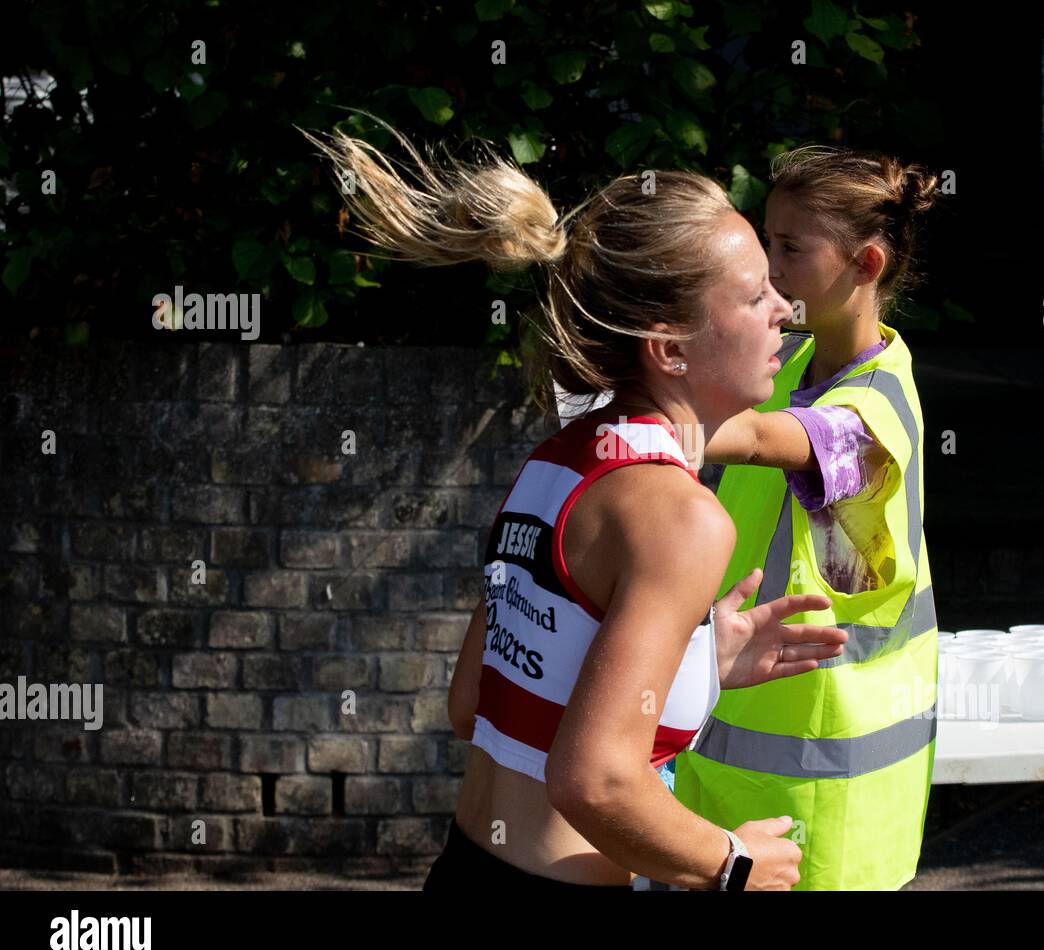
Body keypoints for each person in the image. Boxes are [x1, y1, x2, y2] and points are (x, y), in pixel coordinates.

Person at [302, 119, 852, 890]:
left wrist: (702, 660)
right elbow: (593, 780)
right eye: (755, 293)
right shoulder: (683, 519)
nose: (784, 310)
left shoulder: (557, 462)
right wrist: (730, 864)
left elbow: (478, 707)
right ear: (670, 348)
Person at [673, 145, 941, 891]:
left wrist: (636, 418)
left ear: (866, 265)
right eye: (768, 240)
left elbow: (757, 438)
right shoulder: (797, 363)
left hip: (824, 792)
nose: (769, 264)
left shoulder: (871, 411)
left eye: (791, 247)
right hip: (745, 753)